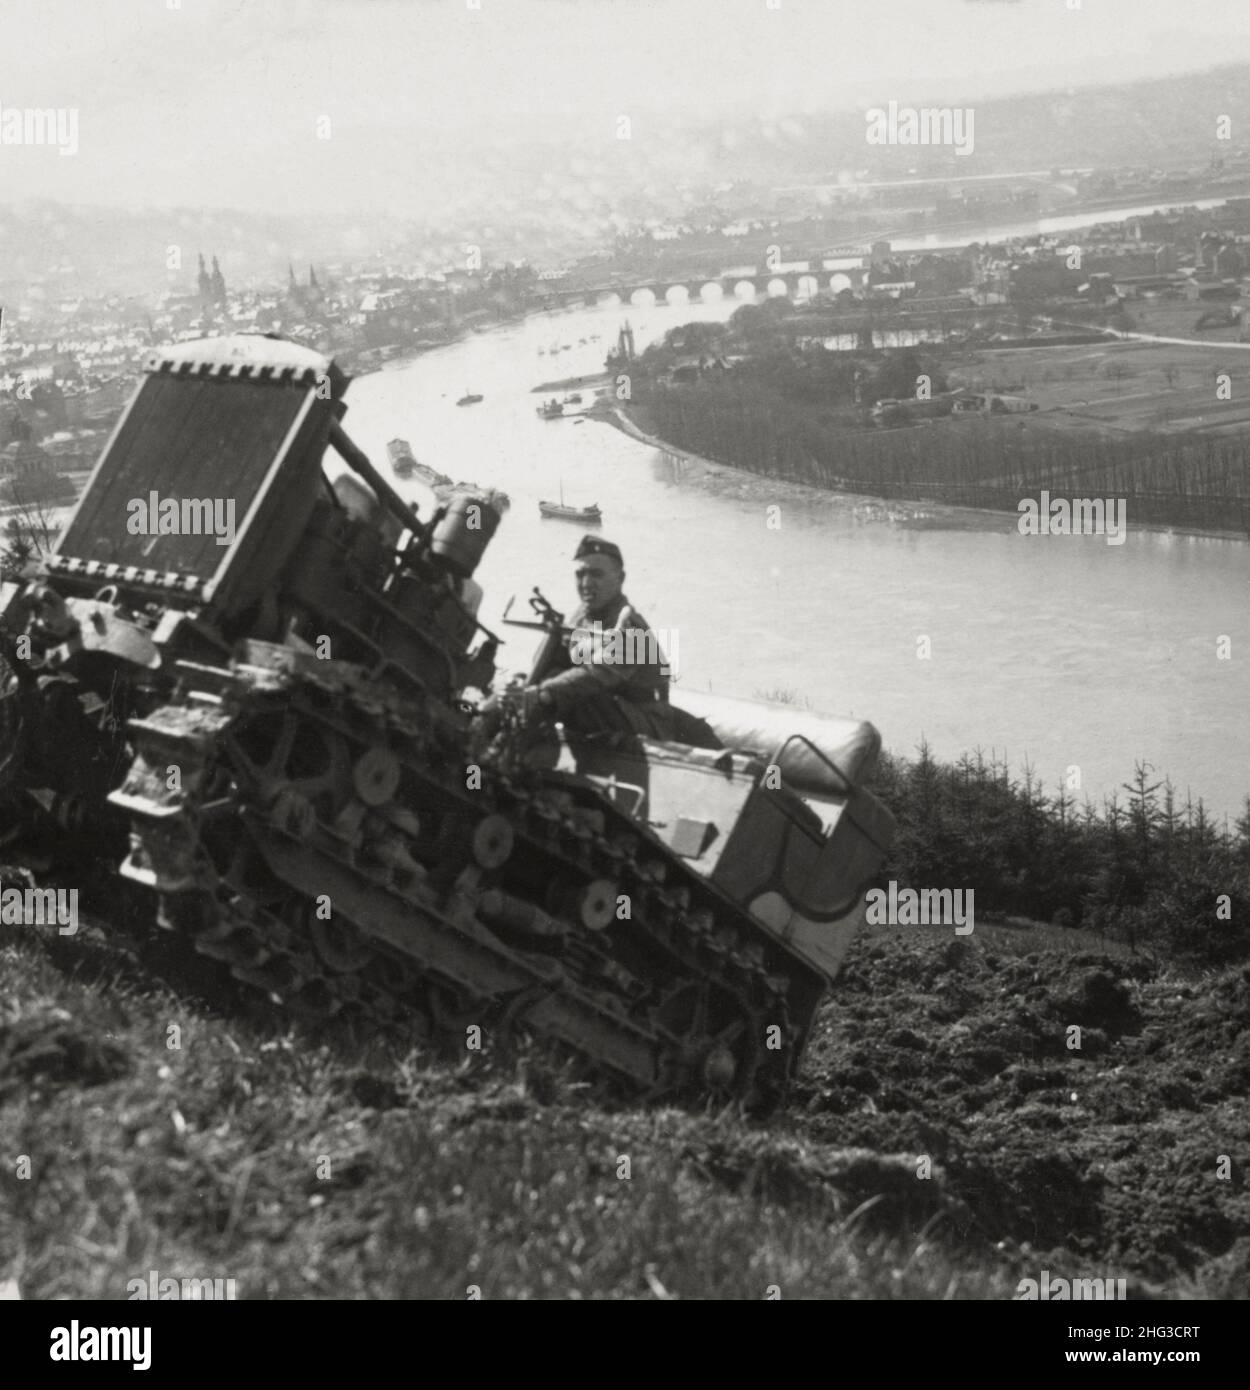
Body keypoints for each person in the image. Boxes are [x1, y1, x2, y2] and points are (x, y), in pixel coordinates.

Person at [487, 534, 718, 746]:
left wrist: (542, 694)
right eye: (580, 574)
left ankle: (510, 757)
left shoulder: (630, 624)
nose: (586, 583)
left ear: (620, 578)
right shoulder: (581, 617)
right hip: (611, 709)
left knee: (567, 695)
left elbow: (597, 674)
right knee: (522, 685)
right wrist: (523, 688)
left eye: (596, 574)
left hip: (647, 719)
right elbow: (553, 665)